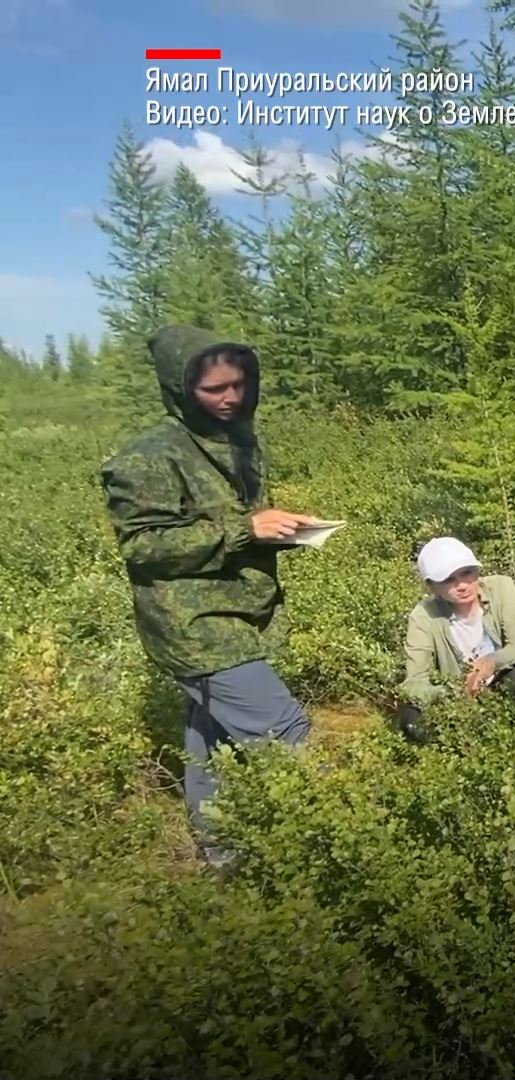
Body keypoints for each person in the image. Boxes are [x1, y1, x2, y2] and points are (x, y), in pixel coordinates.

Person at [99, 326, 316, 863]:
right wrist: (245, 529)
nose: (230, 397)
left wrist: (278, 529)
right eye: (213, 389)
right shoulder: (149, 456)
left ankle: (222, 853)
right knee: (285, 729)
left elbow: (234, 523)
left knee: (211, 739)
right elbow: (143, 545)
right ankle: (318, 851)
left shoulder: (237, 440)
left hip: (237, 612)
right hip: (194, 627)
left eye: (238, 384)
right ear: (179, 389)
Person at [395, 536, 515, 740]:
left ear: (477, 570)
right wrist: (453, 692)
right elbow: (414, 683)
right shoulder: (423, 616)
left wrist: (491, 662)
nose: (462, 585)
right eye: (448, 580)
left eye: (467, 573)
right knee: (410, 719)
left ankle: (503, 734)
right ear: (431, 586)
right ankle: (460, 739)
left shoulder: (501, 588)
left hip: (501, 683)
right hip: (457, 698)